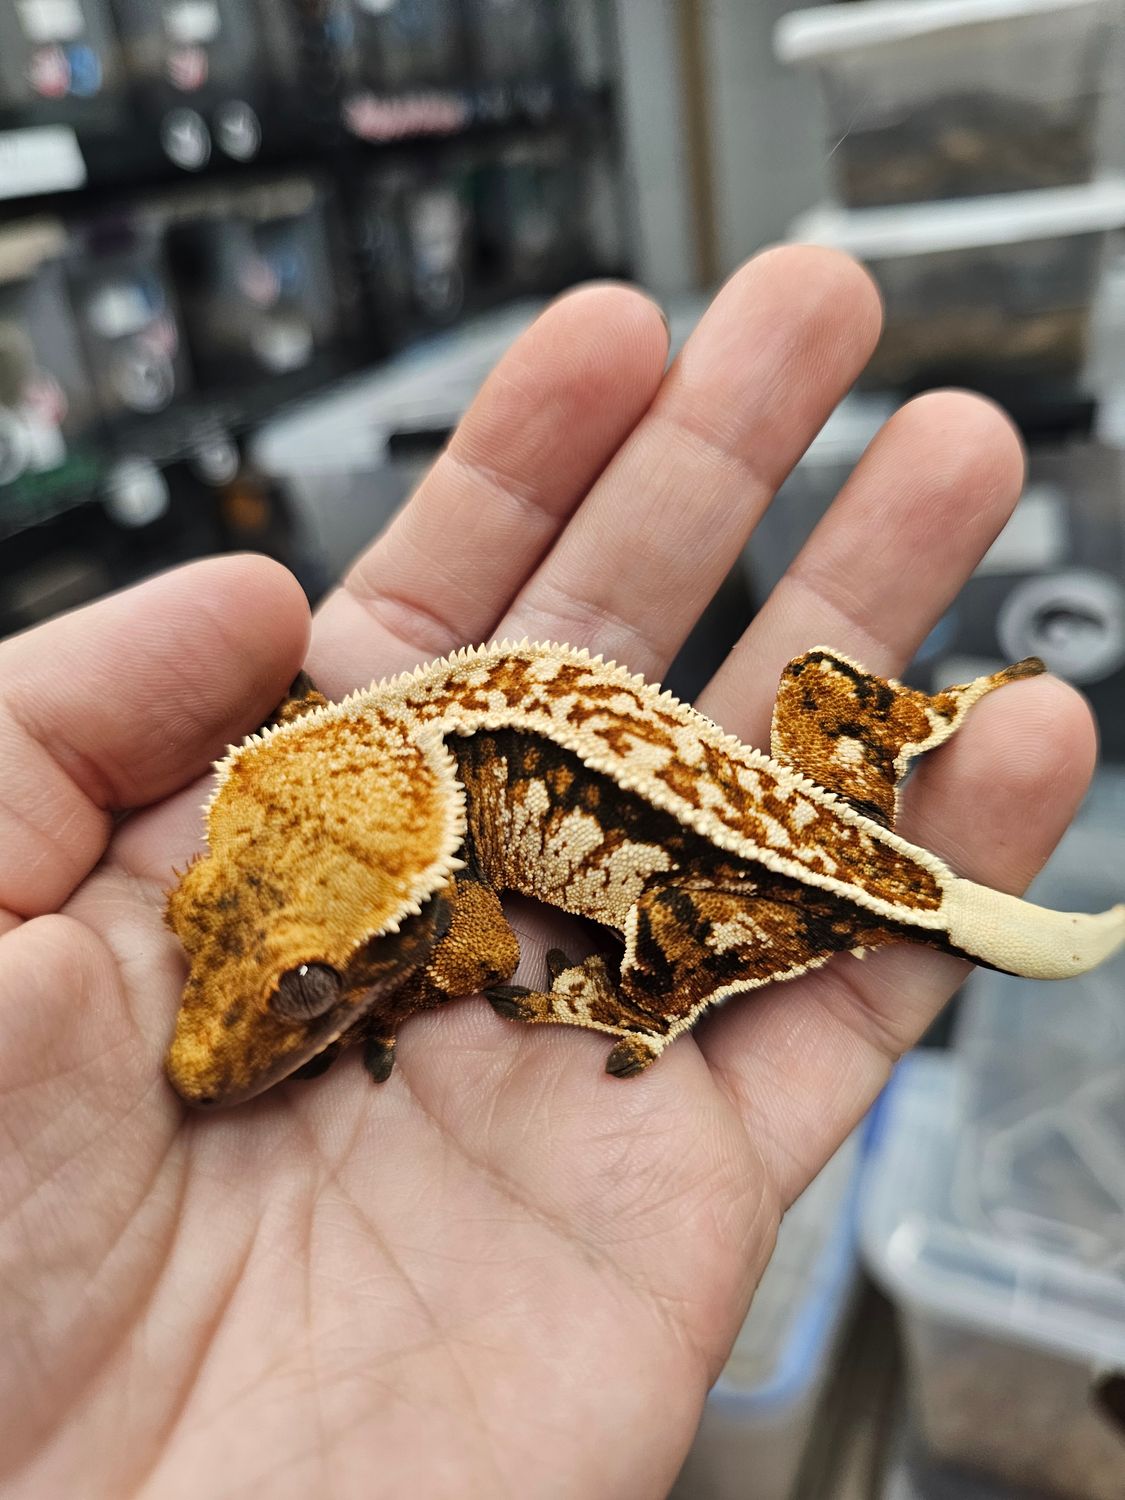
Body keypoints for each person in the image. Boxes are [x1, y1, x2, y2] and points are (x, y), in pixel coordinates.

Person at [0, 249, 1094, 1499]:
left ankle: (650, 994)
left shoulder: (422, 867)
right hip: (735, 802)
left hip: (749, 887)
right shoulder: (370, 771)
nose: (202, 1050)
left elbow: (474, 951)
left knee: (672, 922)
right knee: (812, 689)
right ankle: (896, 731)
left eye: (304, 988)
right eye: (203, 932)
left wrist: (491, 991)